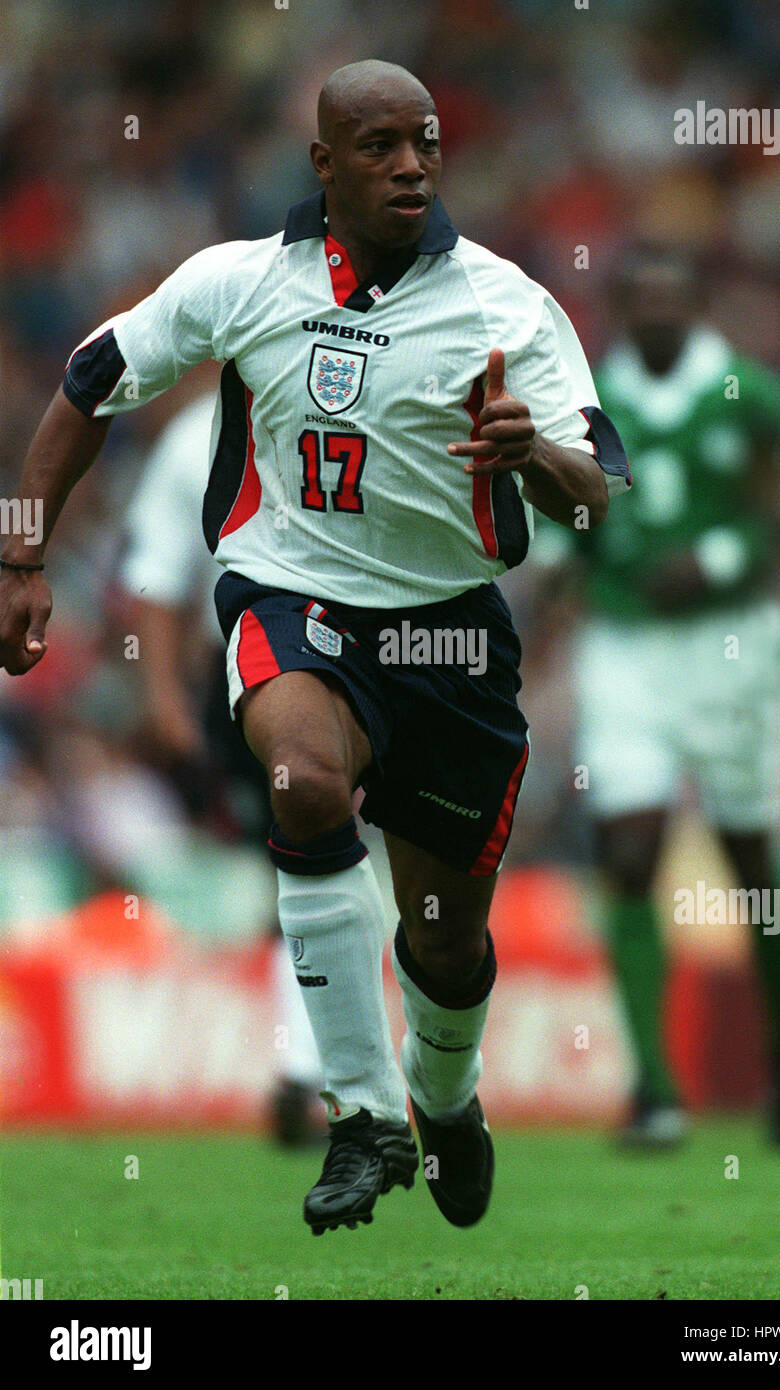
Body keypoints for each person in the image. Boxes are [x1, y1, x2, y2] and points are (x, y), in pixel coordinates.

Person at [0, 60, 629, 1234]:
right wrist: (23, 554)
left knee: (445, 943)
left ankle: (445, 1098)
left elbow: (601, 495)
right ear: (324, 164)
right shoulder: (240, 282)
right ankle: (360, 1115)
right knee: (300, 779)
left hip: (450, 635)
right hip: (290, 601)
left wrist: (531, 456)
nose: (409, 166)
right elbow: (90, 383)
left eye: (425, 144)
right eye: (380, 146)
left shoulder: (507, 305)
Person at [571, 242, 780, 1148]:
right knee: (630, 853)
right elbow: (576, 512)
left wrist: (711, 560)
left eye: (675, 299)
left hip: (732, 643)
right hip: (625, 644)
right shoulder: (591, 394)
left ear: (699, 304)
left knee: (750, 860)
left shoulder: (752, 395)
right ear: (625, 309)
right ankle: (655, 1089)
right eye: (644, 300)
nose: (659, 316)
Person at [117, 388, 323, 1144]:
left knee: (319, 864)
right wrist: (166, 702)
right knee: (307, 861)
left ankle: (316, 1073)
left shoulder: (340, 399)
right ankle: (311, 1073)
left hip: (360, 659)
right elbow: (158, 579)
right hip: (246, 670)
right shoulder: (191, 440)